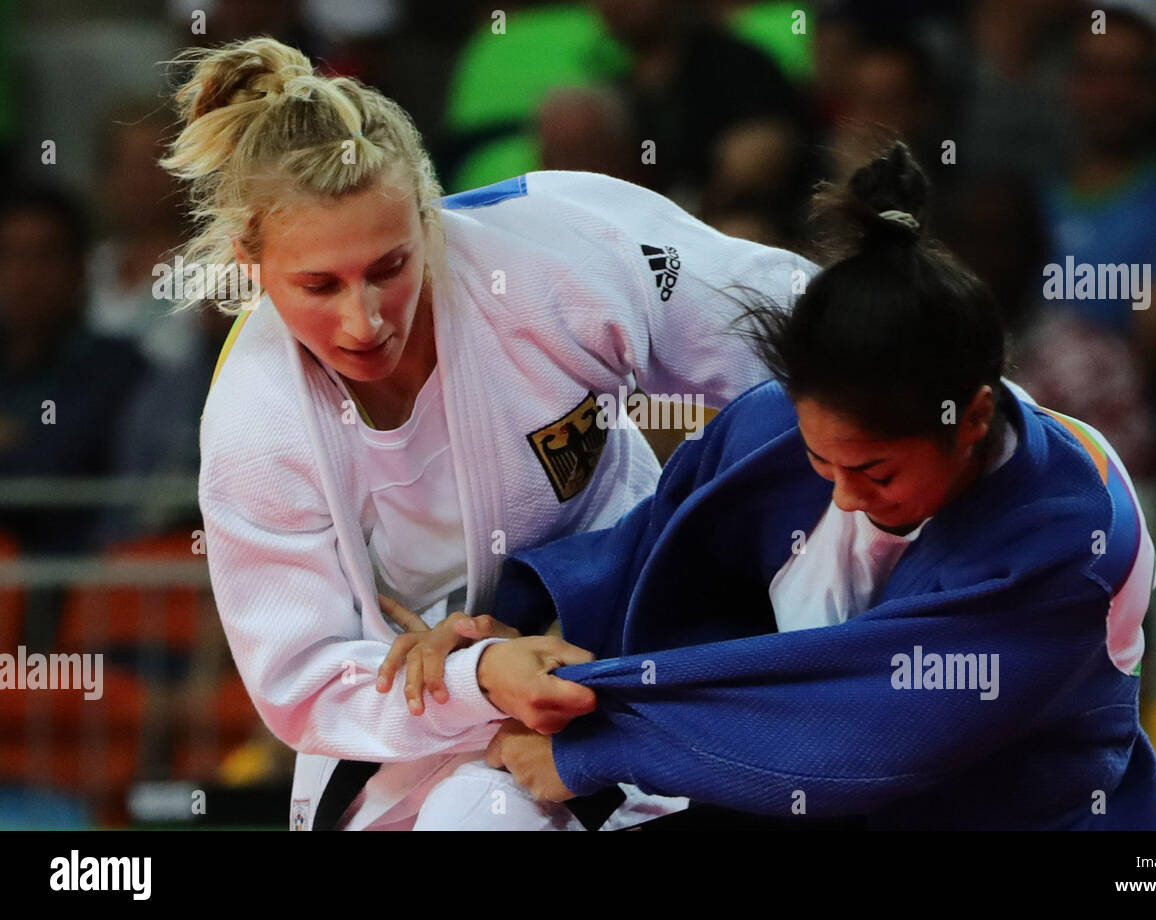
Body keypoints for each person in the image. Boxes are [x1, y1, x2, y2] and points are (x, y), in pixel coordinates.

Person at [181, 37, 815, 830]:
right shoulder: (256, 422)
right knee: (476, 816)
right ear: (250, 263)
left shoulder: (552, 255)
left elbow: (812, 338)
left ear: (427, 212)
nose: (364, 319)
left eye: (389, 267)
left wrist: (986, 409)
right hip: (410, 719)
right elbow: (302, 678)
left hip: (626, 631)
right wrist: (480, 677)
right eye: (318, 285)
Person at [468, 142, 1156, 829]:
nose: (843, 496)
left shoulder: (1071, 533)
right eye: (822, 463)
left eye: (876, 472)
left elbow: (874, 725)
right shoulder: (773, 426)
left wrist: (594, 748)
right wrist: (514, 640)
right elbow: (647, 557)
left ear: (973, 418)